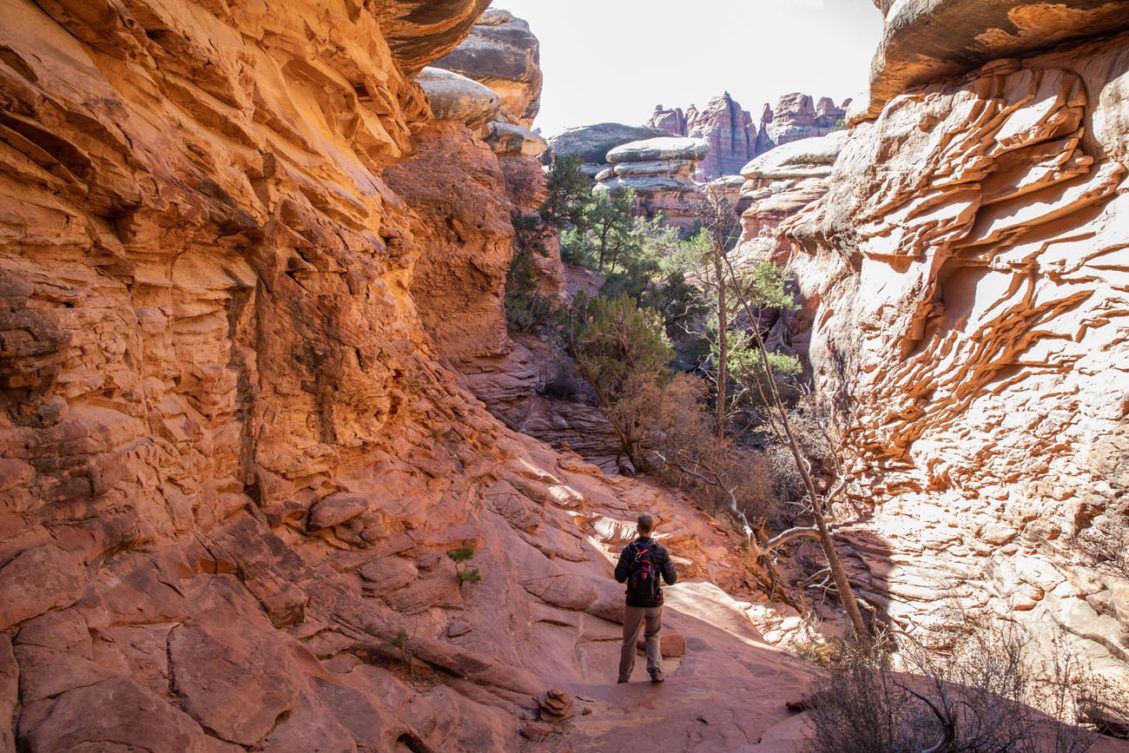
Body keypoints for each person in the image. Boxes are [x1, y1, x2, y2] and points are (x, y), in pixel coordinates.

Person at [614, 513, 677, 683]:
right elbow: (671, 579)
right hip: (654, 601)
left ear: (637, 528)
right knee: (653, 635)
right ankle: (655, 669)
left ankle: (624, 678)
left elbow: (619, 576)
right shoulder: (661, 551)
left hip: (634, 601)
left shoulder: (629, 549)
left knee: (629, 640)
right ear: (653, 529)